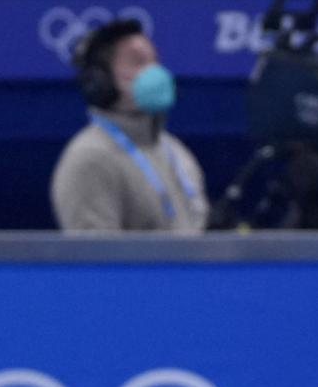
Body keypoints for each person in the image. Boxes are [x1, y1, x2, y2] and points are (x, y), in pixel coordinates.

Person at [51, 19, 208, 235]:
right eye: (138, 62)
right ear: (101, 80)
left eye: (155, 61)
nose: (154, 71)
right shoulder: (90, 159)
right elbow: (96, 262)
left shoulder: (175, 151)